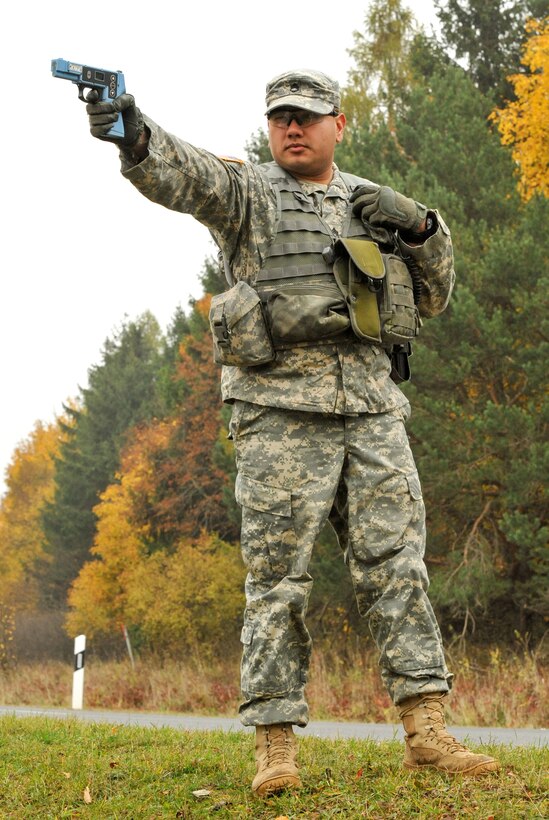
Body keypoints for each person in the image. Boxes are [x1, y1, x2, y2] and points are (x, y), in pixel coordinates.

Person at [85, 68, 499, 794]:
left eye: (307, 117)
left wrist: (424, 228)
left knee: (397, 570)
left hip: (372, 413)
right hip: (278, 417)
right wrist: (130, 129)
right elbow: (177, 173)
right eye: (280, 117)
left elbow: (432, 297)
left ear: (340, 124)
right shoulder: (246, 194)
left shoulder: (374, 205)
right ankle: (275, 748)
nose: (292, 129)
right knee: (276, 584)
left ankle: (427, 732)